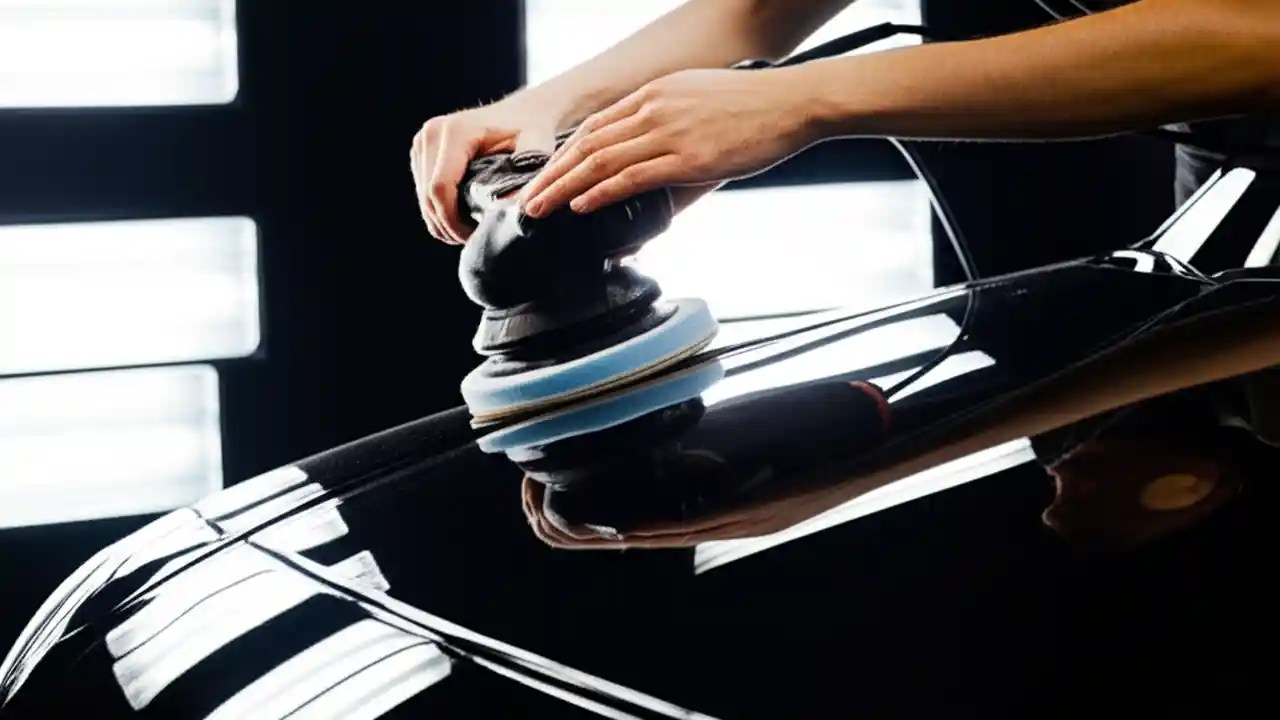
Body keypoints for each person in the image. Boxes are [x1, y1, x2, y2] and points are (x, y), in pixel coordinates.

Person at [410, 0, 1279, 247]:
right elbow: (760, 11)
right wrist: (542, 110)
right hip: (1224, 187)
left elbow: (1261, 38)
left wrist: (808, 99)